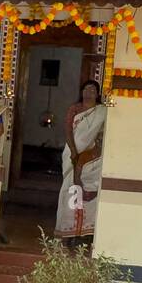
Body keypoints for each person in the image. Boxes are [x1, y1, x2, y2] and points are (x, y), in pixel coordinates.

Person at [55, 80, 107, 240]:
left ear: (98, 94)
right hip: (72, 152)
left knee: (86, 188)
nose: (89, 91)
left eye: (93, 89)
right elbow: (68, 130)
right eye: (86, 88)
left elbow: (102, 132)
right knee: (69, 187)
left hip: (92, 155)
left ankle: (82, 230)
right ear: (82, 92)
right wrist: (73, 151)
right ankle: (66, 227)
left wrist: (91, 152)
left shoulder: (102, 111)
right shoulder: (75, 108)